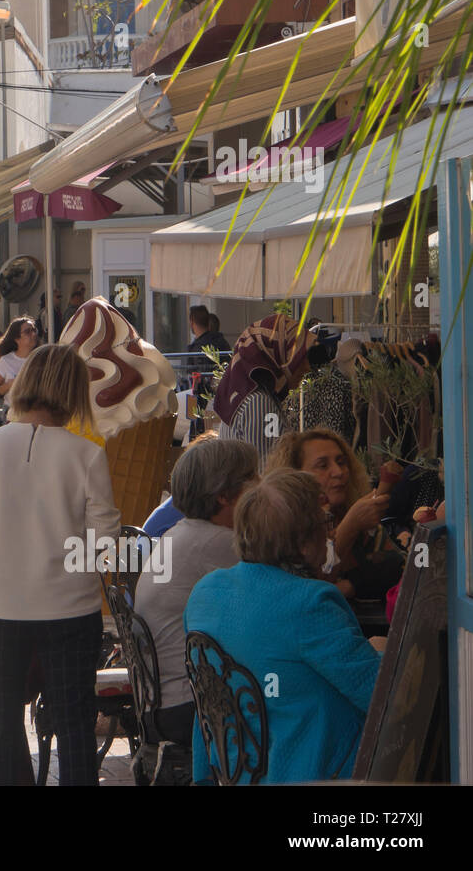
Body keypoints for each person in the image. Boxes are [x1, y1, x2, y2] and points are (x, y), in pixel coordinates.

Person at [0, 343, 119, 785]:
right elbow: (105, 546)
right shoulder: (87, 454)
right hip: (69, 609)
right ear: (75, 392)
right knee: (75, 723)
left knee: (0, 722)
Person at [184, 469, 384, 784]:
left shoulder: (205, 592)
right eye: (325, 524)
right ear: (303, 545)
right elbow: (379, 695)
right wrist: (384, 655)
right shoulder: (308, 603)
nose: (329, 534)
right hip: (313, 774)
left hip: (232, 773)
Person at [134, 438, 260, 752]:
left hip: (161, 702)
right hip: (189, 707)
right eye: (252, 478)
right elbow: (273, 604)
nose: (261, 485)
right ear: (223, 496)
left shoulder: (184, 533)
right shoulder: (215, 542)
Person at [266, 428, 400, 600]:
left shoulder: (360, 520)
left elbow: (398, 566)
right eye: (323, 465)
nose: (338, 472)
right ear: (294, 475)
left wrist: (351, 584)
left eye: (341, 462)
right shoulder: (284, 532)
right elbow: (310, 587)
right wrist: (351, 525)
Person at [213, 313, 314, 463]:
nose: (307, 367)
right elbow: (266, 469)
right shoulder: (260, 403)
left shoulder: (248, 397)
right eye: (299, 357)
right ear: (277, 355)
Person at [0, 317, 38, 406]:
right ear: (16, 338)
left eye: (34, 330)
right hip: (13, 413)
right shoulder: (5, 361)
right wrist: (9, 385)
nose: (33, 334)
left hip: (39, 413)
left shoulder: (43, 358)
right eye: (28, 332)